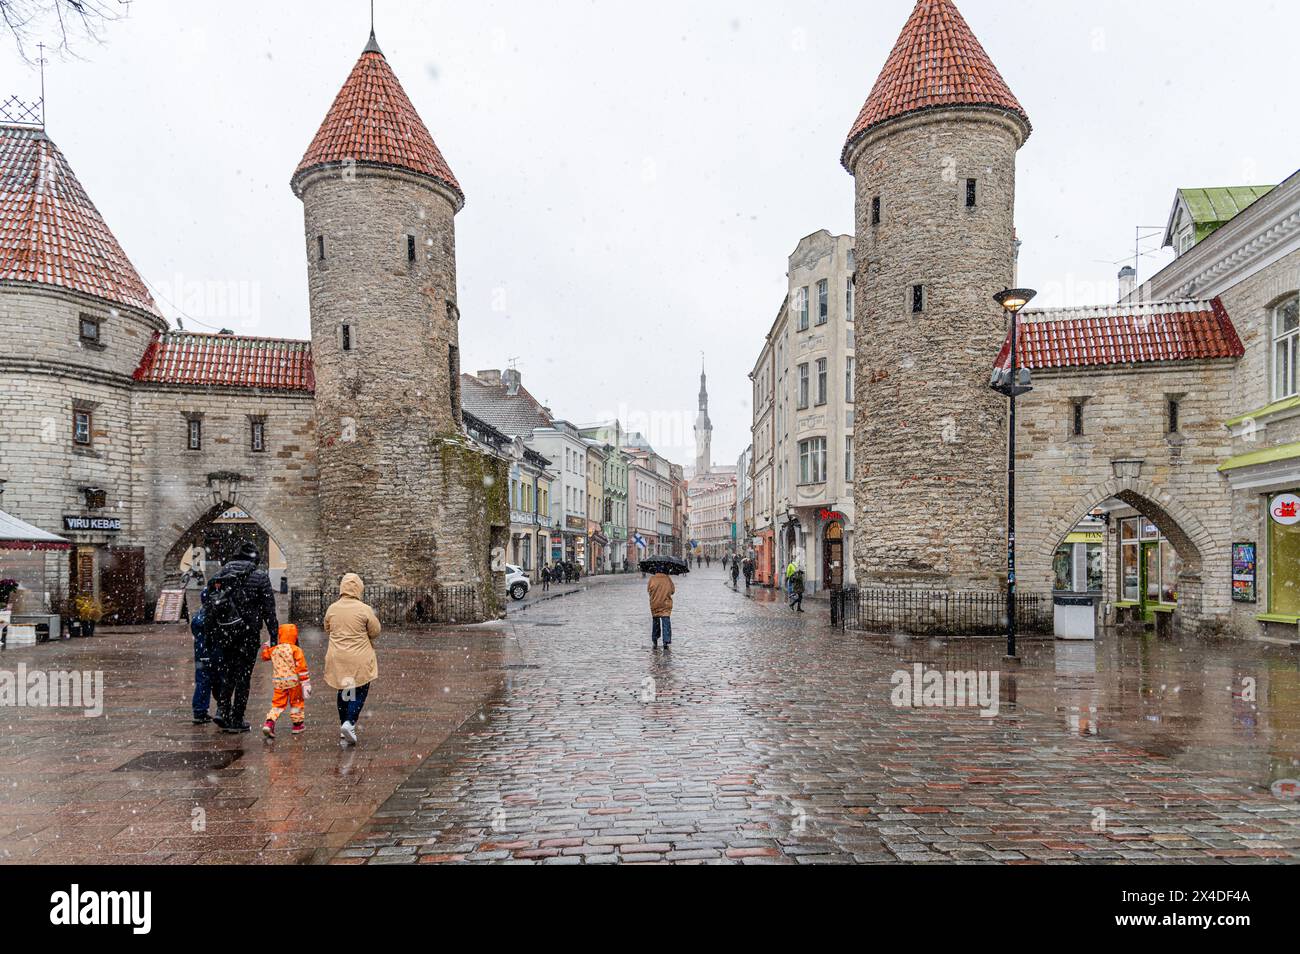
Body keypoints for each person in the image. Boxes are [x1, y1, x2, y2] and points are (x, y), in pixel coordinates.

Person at [204, 541, 279, 733]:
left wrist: (212, 631)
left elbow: (209, 601)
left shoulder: (222, 574)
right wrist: (273, 635)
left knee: (228, 672)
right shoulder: (259, 576)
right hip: (248, 632)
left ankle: (222, 710)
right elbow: (269, 609)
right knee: (244, 676)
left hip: (226, 631)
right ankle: (237, 718)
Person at [324, 573, 381, 746]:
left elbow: (327, 628)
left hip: (338, 657)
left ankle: (344, 725)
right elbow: (375, 631)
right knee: (360, 689)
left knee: (345, 690)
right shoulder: (364, 609)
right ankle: (350, 722)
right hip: (359, 656)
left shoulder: (332, 608)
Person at [261, 623, 311, 738]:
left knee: (277, 705)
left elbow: (264, 656)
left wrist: (266, 645)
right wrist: (306, 682)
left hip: (279, 683)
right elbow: (302, 667)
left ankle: (269, 722)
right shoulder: (296, 650)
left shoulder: (275, 649)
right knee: (296, 703)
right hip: (294, 683)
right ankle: (297, 725)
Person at [190, 603, 219, 724]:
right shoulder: (214, 618)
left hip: (200, 655)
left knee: (201, 681)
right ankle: (222, 709)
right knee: (218, 681)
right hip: (213, 654)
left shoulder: (197, 618)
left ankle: (199, 710)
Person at [647, 570, 675, 647]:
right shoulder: (667, 579)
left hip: (655, 603)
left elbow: (649, 590)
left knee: (656, 622)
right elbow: (672, 591)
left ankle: (655, 639)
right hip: (665, 604)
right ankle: (666, 641)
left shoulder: (652, 579)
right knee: (666, 621)